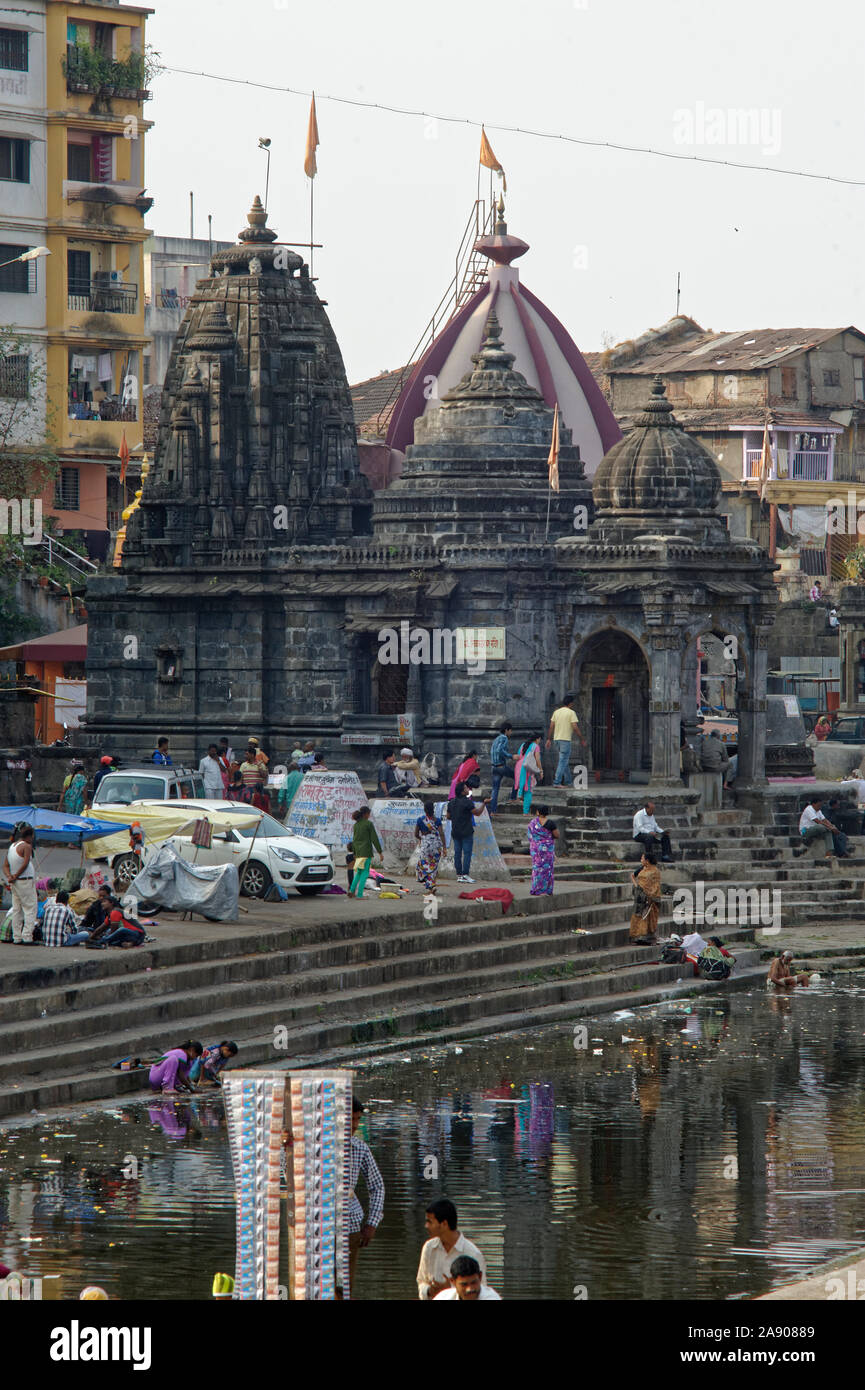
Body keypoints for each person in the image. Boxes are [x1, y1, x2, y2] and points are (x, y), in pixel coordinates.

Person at [348, 1097, 385, 1292]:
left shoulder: (360, 1148)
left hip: (351, 1226)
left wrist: (372, 1223)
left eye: (357, 1120)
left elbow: (377, 1185)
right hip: (319, 1227)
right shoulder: (315, 1148)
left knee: (345, 1286)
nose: (354, 1125)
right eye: (350, 1120)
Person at [417, 1199, 487, 1299]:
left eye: (430, 1222)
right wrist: (429, 1291)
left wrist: (450, 1291)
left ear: (444, 1224)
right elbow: (421, 1281)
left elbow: (481, 1292)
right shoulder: (429, 1248)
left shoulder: (473, 1254)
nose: (426, 1226)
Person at [446, 781, 490, 884]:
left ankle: (459, 875)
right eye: (466, 788)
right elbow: (477, 813)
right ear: (462, 791)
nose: (468, 790)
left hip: (455, 831)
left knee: (457, 853)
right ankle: (465, 874)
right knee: (467, 853)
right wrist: (484, 804)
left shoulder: (451, 802)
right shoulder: (467, 802)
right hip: (466, 831)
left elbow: (448, 816)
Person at [4, 824, 37, 944]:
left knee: (17, 910)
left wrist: (10, 877)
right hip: (24, 881)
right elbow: (25, 863)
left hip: (15, 883)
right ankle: (27, 937)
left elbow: (5, 865)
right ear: (30, 836)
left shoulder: (12, 846)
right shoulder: (26, 846)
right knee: (30, 909)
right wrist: (16, 876)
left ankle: (17, 937)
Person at [545, 693, 586, 786]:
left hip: (556, 740)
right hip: (565, 740)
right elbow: (575, 727)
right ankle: (557, 782)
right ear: (571, 704)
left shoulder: (556, 712)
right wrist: (582, 738)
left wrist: (548, 739)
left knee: (564, 760)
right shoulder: (571, 713)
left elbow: (551, 726)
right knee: (563, 761)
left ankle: (568, 781)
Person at [348, 806, 382, 898]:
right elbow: (374, 839)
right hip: (366, 852)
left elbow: (354, 840)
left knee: (359, 872)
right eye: (369, 814)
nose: (369, 815)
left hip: (358, 853)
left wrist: (354, 853)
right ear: (366, 814)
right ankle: (359, 895)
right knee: (365, 873)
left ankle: (351, 890)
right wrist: (380, 852)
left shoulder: (356, 825)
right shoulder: (368, 824)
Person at [433, 1256, 501, 1301]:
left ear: (480, 1277)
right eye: (464, 1284)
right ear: (453, 1282)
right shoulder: (444, 1297)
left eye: (473, 1282)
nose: (470, 1289)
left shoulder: (491, 1297)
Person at [629, 849, 661, 945]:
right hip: (640, 898)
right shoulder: (642, 869)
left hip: (650, 899)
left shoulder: (654, 871)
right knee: (637, 916)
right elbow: (635, 878)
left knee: (647, 918)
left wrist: (649, 896)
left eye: (642, 858)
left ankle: (647, 938)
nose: (641, 860)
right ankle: (637, 937)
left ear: (647, 860)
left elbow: (654, 886)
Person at [415, 800, 445, 891]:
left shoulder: (420, 820)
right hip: (436, 847)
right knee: (433, 865)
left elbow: (416, 834)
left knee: (423, 864)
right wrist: (444, 847)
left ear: (424, 810)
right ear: (433, 809)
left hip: (425, 846)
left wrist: (421, 839)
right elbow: (442, 834)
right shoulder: (437, 820)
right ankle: (431, 884)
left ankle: (430, 884)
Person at [527, 806, 557, 896]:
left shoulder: (533, 823)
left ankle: (536, 889)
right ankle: (547, 889)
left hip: (536, 850)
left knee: (537, 868)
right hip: (547, 851)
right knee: (547, 870)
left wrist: (537, 842)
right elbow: (557, 835)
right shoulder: (550, 823)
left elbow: (530, 835)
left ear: (538, 812)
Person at [489, 722, 516, 813]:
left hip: (494, 767)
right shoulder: (504, 738)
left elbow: (493, 751)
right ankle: (513, 797)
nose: (511, 733)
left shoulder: (496, 739)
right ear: (506, 730)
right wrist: (511, 756)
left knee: (495, 789)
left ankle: (493, 811)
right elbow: (499, 750)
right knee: (517, 777)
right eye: (510, 731)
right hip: (501, 766)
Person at [514, 734, 543, 815]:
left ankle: (520, 794)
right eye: (540, 740)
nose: (539, 741)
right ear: (537, 739)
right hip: (527, 767)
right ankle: (525, 812)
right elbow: (537, 759)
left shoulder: (523, 744)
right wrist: (541, 771)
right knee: (529, 790)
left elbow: (519, 756)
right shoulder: (536, 746)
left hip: (519, 766)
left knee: (523, 785)